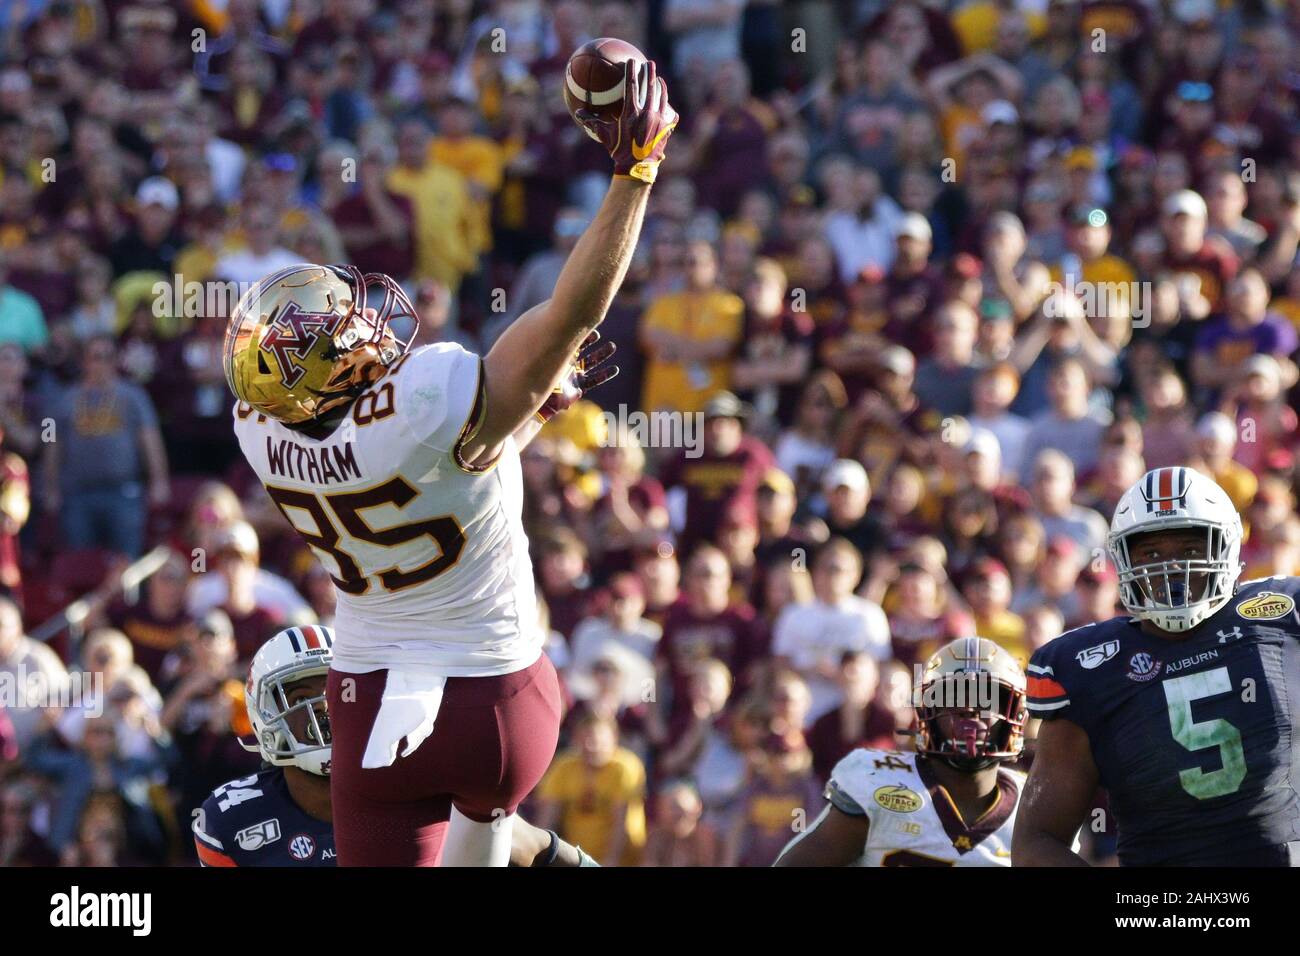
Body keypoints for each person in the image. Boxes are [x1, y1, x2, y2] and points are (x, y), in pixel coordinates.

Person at [222, 58, 677, 866]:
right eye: (346, 329)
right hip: (498, 698)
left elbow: (447, 467)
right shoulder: (430, 393)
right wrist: (635, 171)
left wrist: (532, 410)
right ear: (332, 368)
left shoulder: (260, 432)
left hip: (368, 705)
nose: (366, 325)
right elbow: (574, 308)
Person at [1014, 468, 1300, 866]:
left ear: (1228, 545)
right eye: (1150, 554)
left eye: (1189, 548)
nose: (1171, 569)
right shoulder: (1087, 665)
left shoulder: (1285, 614)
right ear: (1122, 557)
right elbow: (1037, 840)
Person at [194, 626, 595, 867]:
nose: (326, 709)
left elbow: (536, 847)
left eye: (334, 691)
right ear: (265, 711)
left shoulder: (420, 789)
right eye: (302, 696)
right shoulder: (233, 819)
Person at [774, 637, 1029, 866]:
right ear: (926, 711)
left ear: (1016, 715)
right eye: (954, 697)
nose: (970, 712)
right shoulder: (876, 780)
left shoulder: (1033, 806)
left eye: (988, 699)